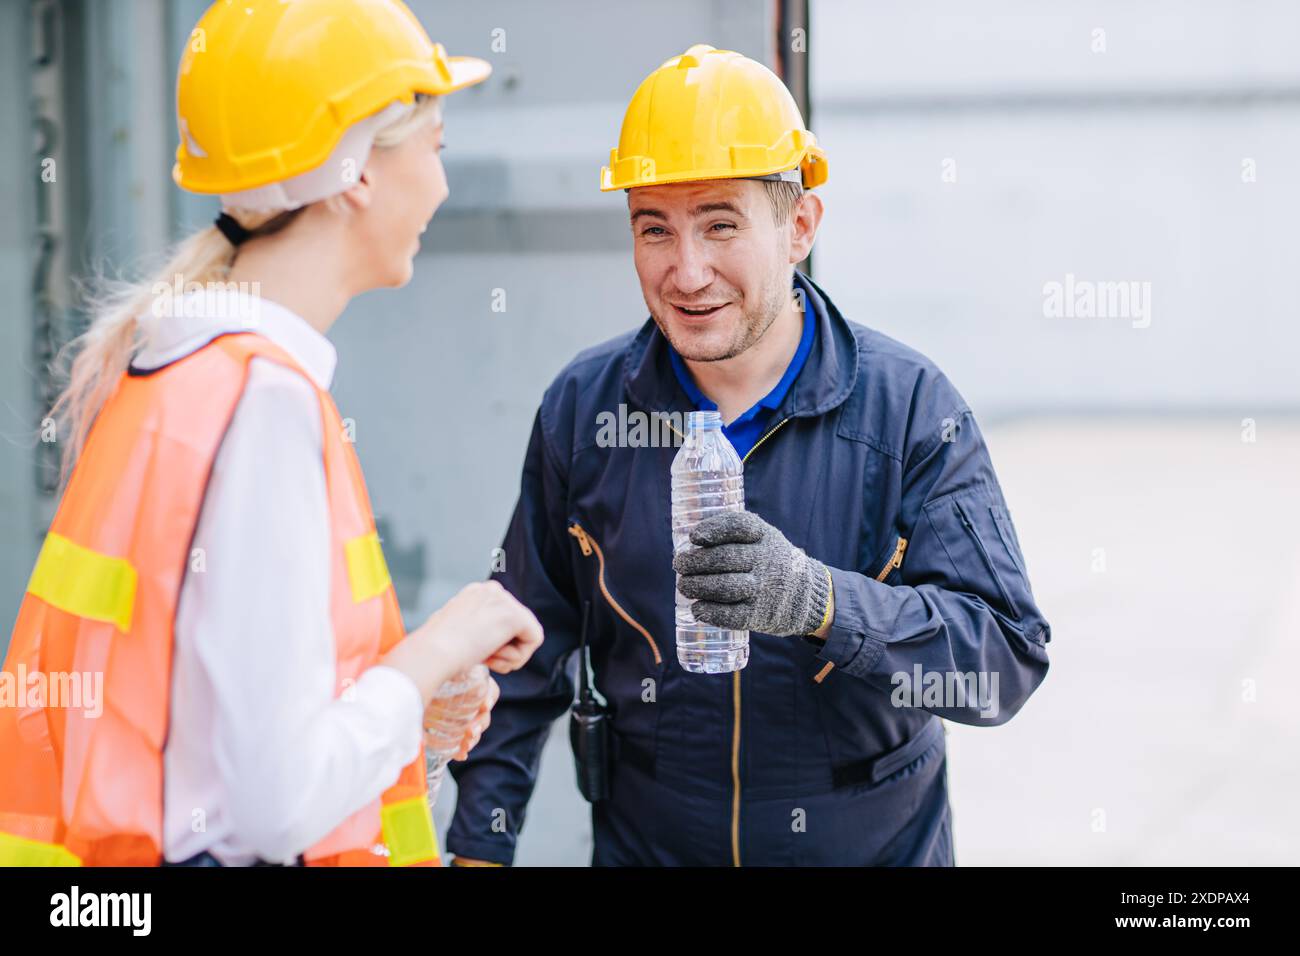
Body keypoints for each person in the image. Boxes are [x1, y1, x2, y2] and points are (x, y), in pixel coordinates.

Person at [447, 45, 1051, 866]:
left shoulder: (908, 410)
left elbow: (1002, 664)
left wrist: (822, 605)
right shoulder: (586, 412)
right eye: (653, 228)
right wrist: (480, 845)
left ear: (799, 226)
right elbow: (522, 652)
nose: (686, 272)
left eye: (721, 224)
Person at [0, 0, 541, 868]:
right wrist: (444, 642)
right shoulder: (262, 406)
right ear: (357, 171)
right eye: (434, 149)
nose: (442, 186)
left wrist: (403, 702)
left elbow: (209, 749)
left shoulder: (176, 376)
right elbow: (276, 806)